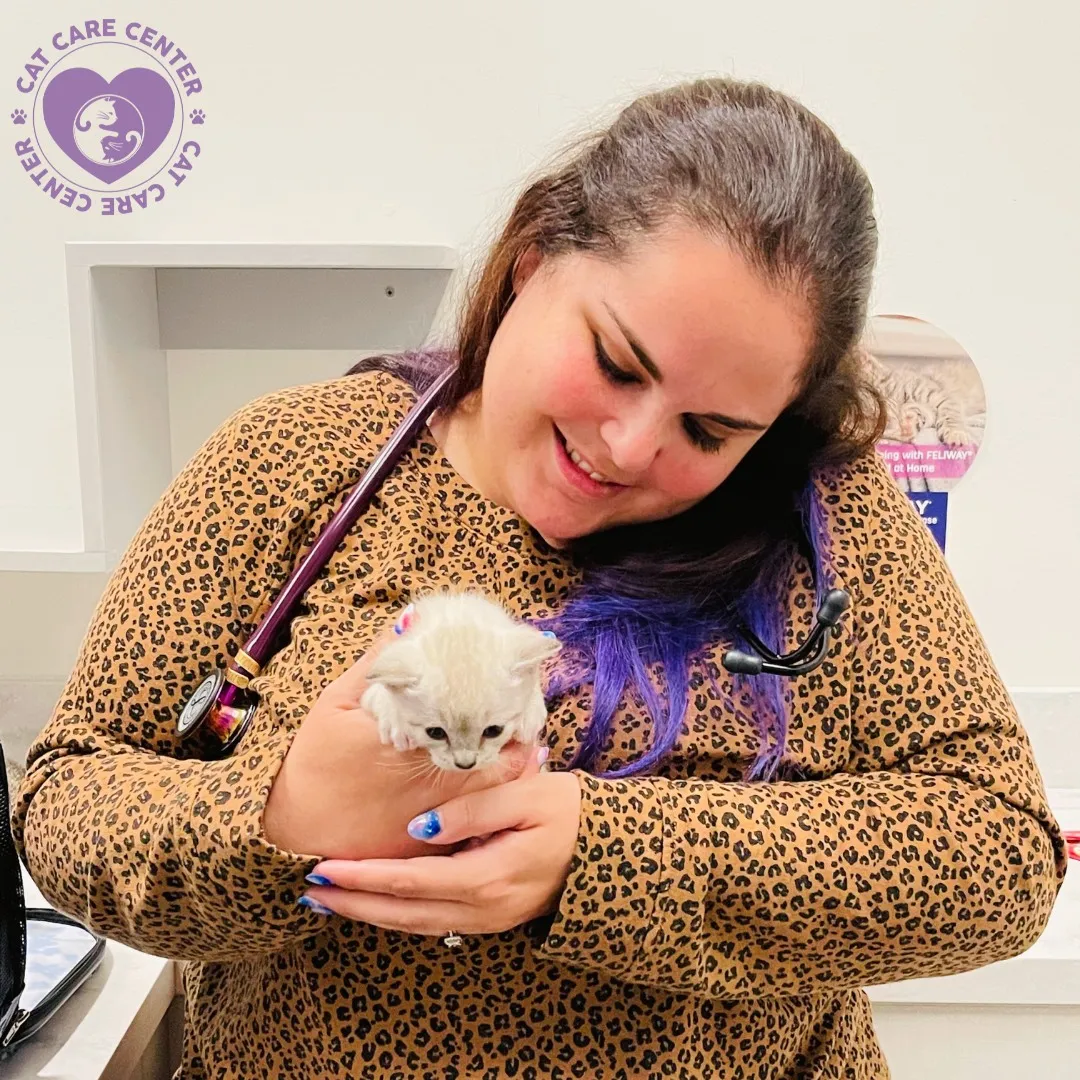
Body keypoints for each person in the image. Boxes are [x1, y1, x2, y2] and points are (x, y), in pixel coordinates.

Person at [12, 77, 1063, 1080]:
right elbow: (65, 800)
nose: (631, 444)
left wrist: (604, 855)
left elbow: (1001, 858)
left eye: (712, 429)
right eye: (617, 361)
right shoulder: (294, 464)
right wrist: (277, 819)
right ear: (529, 265)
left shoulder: (827, 521)